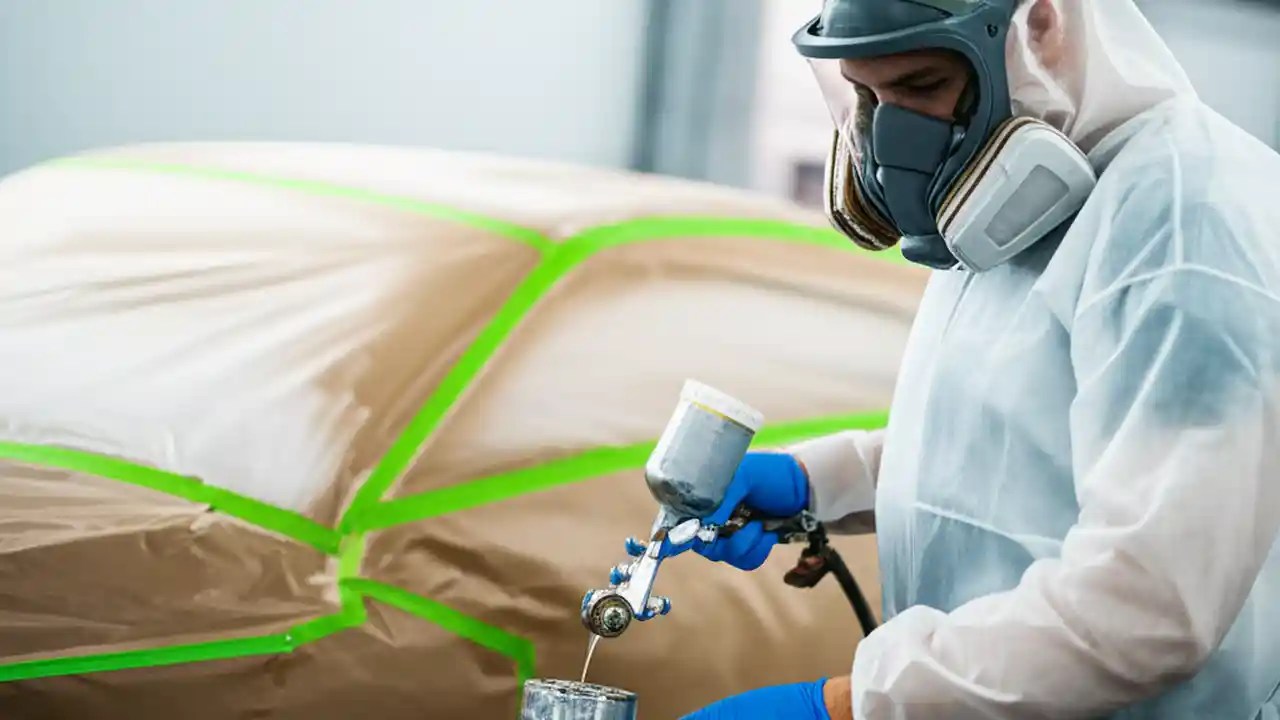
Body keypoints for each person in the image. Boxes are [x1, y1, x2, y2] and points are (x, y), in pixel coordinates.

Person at [642, 0, 1280, 717]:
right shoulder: (1017, 207)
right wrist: (815, 483)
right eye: (865, 96)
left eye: (919, 88)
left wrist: (850, 705)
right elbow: (1021, 443)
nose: (892, 141)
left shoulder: (1183, 219)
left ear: (1039, 28)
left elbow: (1150, 605)